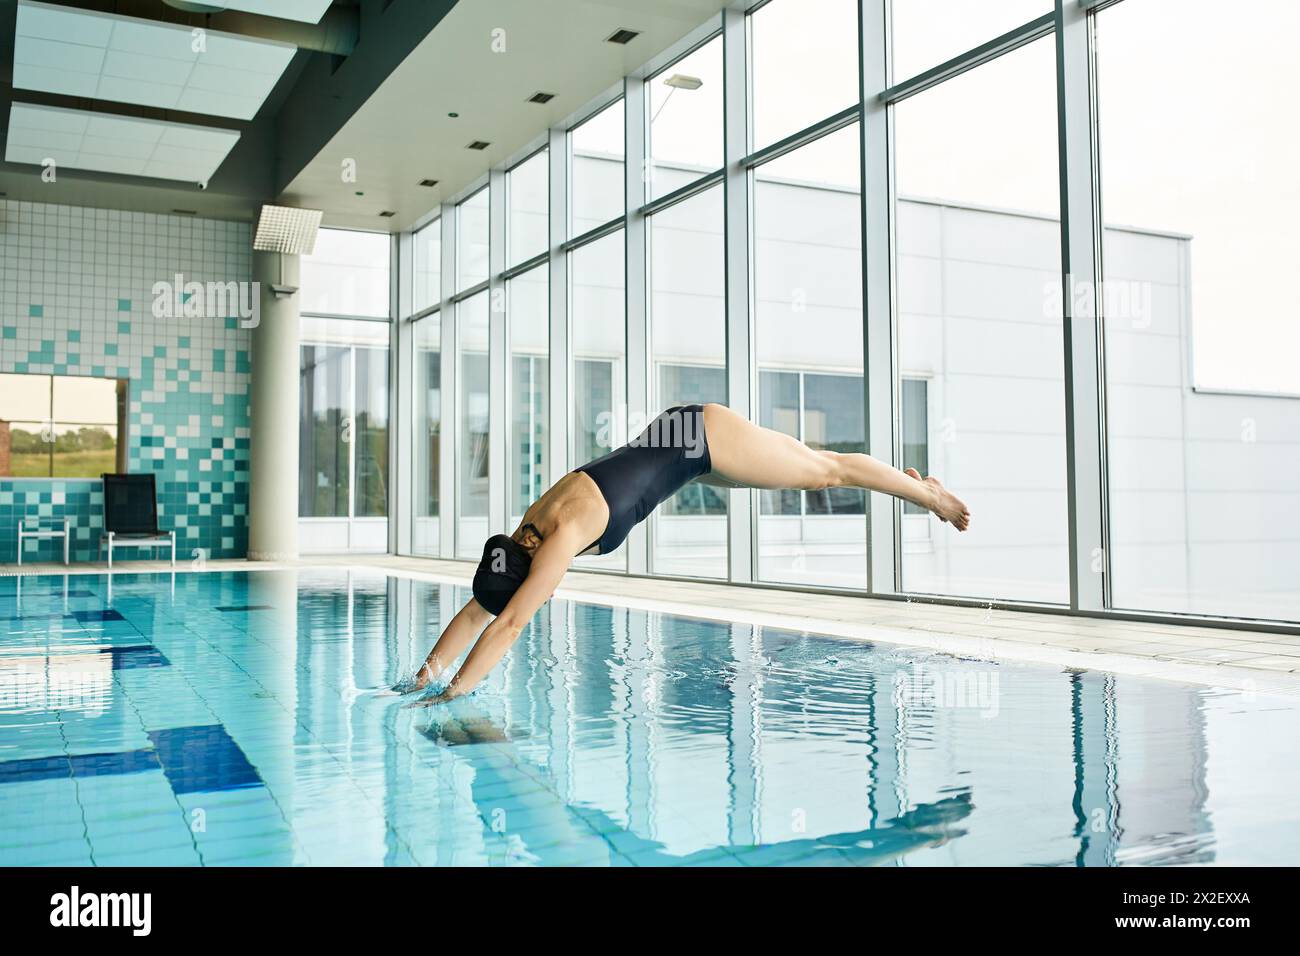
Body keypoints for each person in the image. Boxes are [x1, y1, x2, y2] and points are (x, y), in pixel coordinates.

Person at [406, 403, 969, 703]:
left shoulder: (561, 538)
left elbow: (509, 623)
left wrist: (453, 693)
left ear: (528, 566)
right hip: (686, 443)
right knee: (802, 465)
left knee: (823, 471)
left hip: (701, 437)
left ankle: (927, 494)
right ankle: (905, 480)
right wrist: (423, 675)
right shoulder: (527, 530)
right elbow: (482, 608)